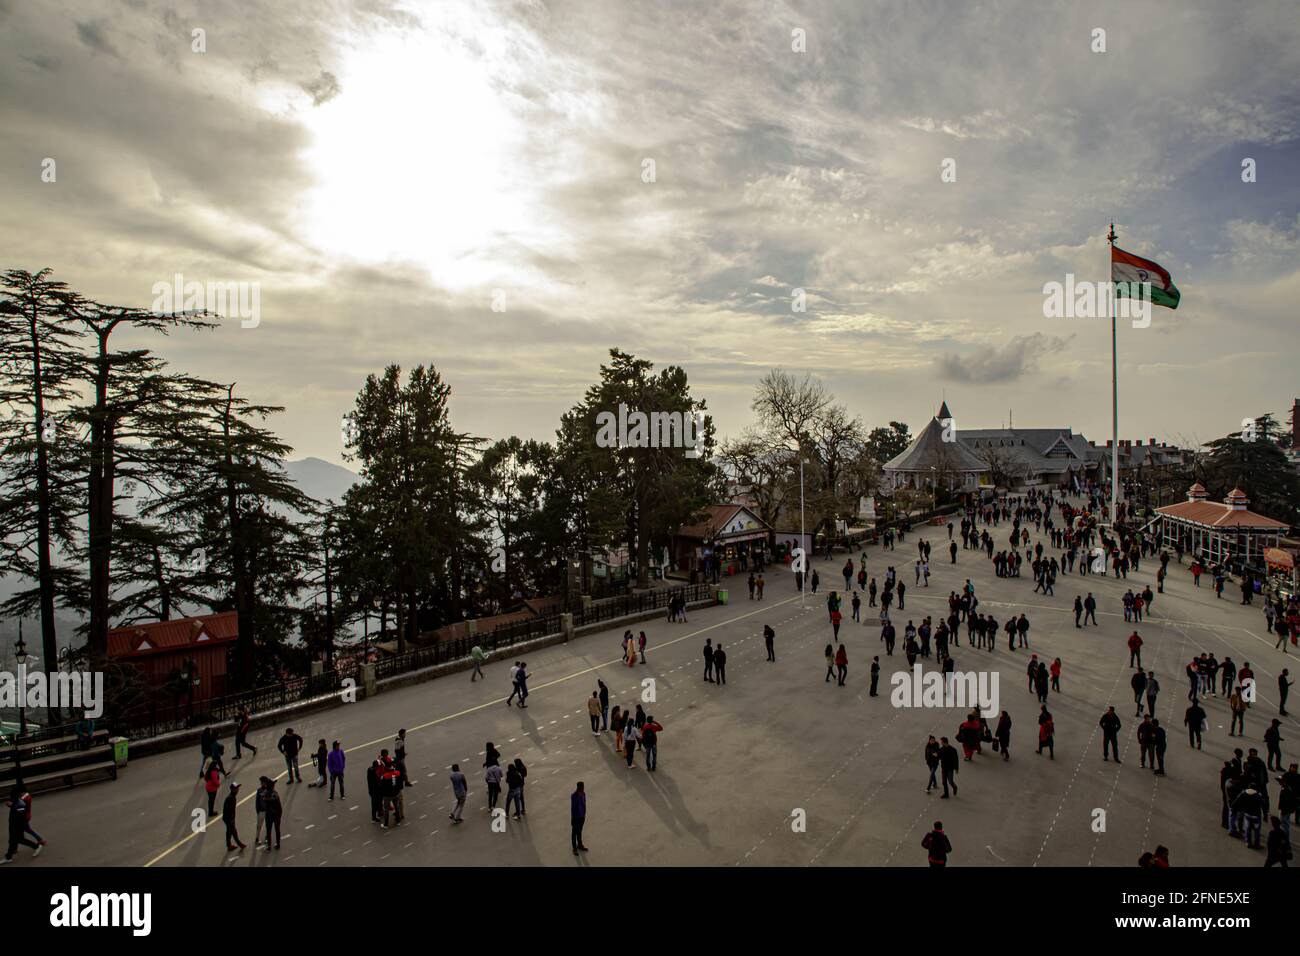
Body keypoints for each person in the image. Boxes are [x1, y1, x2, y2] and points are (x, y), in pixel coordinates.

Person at [223, 781, 246, 851]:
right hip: (229, 818)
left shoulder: (232, 797)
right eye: (236, 788)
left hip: (228, 818)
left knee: (229, 831)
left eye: (238, 788)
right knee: (233, 831)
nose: (238, 789)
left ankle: (229, 845)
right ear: (232, 789)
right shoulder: (231, 798)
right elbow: (229, 810)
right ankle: (240, 844)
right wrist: (231, 819)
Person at [262, 779, 282, 850]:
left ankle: (269, 845)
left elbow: (264, 803)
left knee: (268, 830)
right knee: (277, 830)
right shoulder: (275, 793)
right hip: (276, 814)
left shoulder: (264, 794)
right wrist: (280, 815)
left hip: (268, 814)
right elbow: (279, 806)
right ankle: (278, 844)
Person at [571, 782, 588, 854]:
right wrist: (572, 818)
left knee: (579, 831)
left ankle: (580, 845)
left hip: (582, 816)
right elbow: (573, 808)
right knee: (574, 833)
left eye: (583, 787)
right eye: (582, 787)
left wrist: (584, 814)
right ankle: (574, 848)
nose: (583, 788)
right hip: (576, 817)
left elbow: (584, 803)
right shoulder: (574, 795)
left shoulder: (584, 794)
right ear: (578, 787)